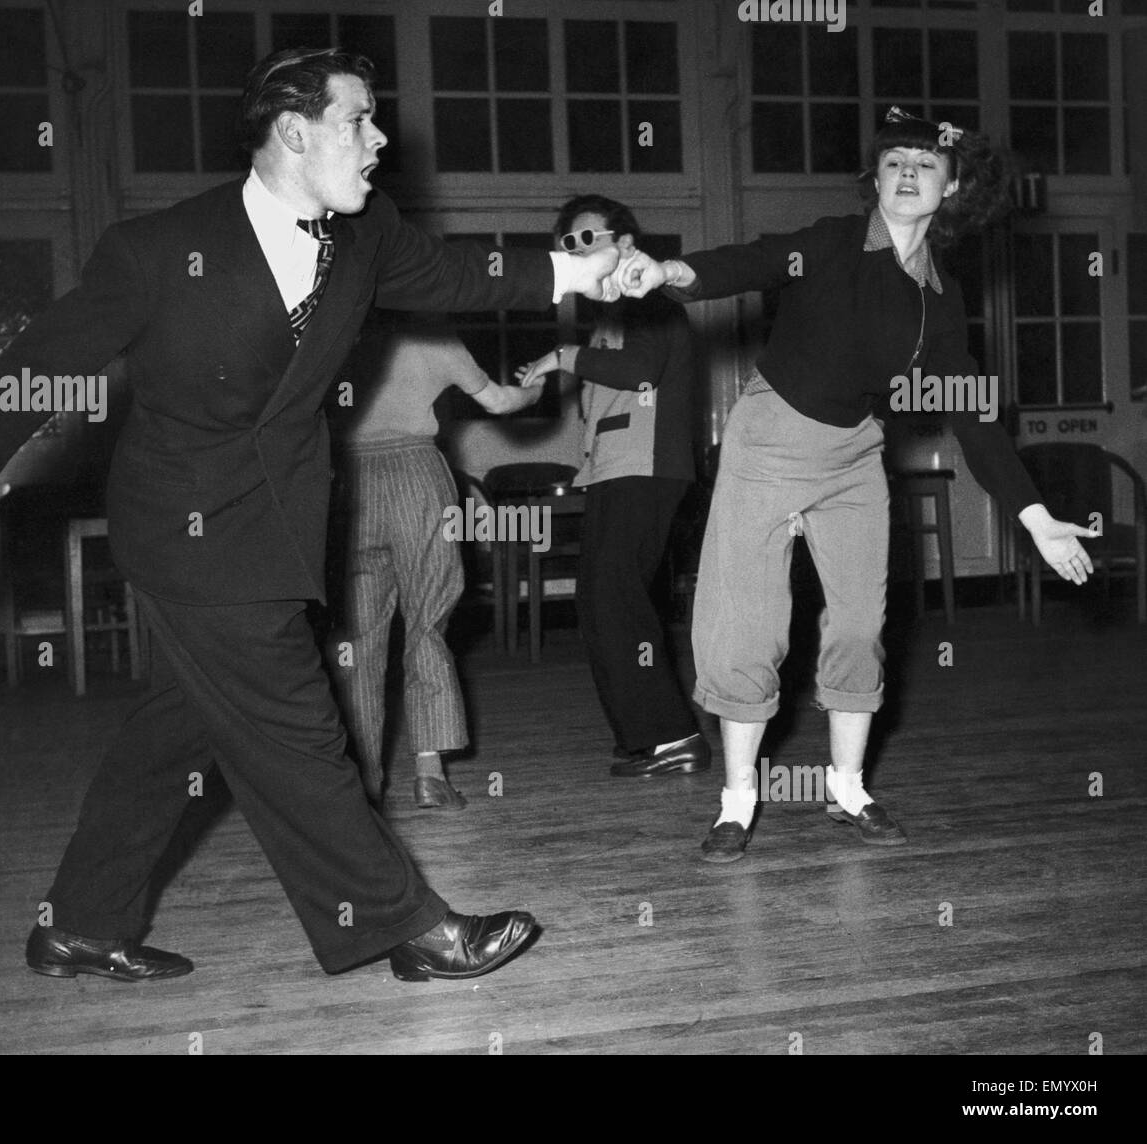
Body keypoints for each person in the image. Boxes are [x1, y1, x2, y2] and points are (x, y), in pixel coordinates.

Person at [0, 48, 618, 983]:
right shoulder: (156, 251)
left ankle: (78, 922)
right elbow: (40, 362)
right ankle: (411, 929)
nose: (381, 139)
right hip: (184, 530)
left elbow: (465, 276)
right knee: (299, 729)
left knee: (176, 733)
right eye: (360, 120)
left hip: (279, 524)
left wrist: (580, 271)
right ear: (294, 130)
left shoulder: (365, 236)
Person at [616, 107, 1095, 862]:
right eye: (894, 161)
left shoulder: (940, 298)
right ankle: (738, 801)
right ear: (875, 179)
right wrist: (673, 273)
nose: (907, 172)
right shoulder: (831, 242)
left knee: (860, 626)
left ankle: (846, 788)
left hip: (853, 455)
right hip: (768, 441)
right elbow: (753, 260)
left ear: (954, 184)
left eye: (925, 163)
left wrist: (1035, 517)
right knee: (748, 627)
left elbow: (971, 413)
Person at [517, 195, 708, 779]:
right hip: (616, 471)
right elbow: (613, 398)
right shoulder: (609, 317)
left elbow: (641, 375)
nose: (580, 252)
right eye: (569, 245)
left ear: (625, 243)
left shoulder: (648, 301)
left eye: (590, 238)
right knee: (599, 600)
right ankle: (646, 737)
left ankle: (671, 735)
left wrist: (562, 355)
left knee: (614, 596)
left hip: (647, 470)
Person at [327, 314, 544, 809]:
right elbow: (499, 400)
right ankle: (430, 775)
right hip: (418, 477)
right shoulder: (432, 335)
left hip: (349, 481)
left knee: (359, 639)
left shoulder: (337, 331)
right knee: (428, 622)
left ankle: (364, 781)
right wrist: (534, 390)